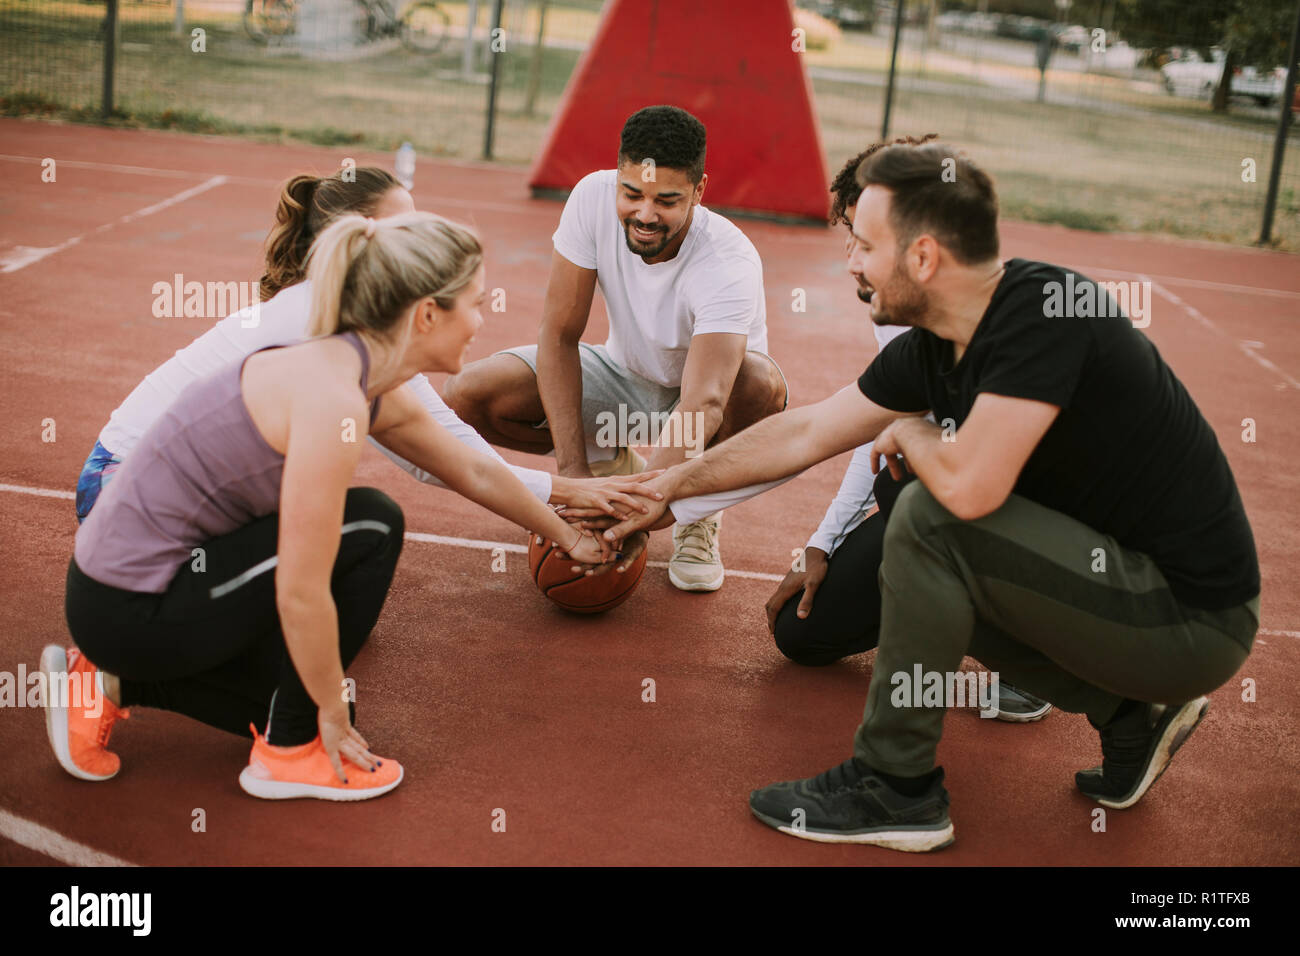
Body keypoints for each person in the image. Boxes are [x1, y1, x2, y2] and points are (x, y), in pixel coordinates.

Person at [602, 141, 1260, 851]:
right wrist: (660, 489)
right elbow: (809, 430)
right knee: (921, 560)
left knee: (926, 515)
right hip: (1119, 599)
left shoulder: (1042, 314)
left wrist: (913, 435)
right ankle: (1129, 715)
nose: (850, 262)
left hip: (1189, 621)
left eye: (863, 245)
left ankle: (897, 785)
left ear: (921, 259)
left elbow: (969, 489)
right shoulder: (932, 345)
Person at [48, 211, 612, 800]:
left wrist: (567, 534)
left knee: (303, 690)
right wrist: (328, 720)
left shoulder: (353, 369)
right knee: (369, 527)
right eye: (473, 302)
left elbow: (470, 467)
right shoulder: (333, 399)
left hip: (135, 589)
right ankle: (290, 755)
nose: (479, 320)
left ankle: (106, 683)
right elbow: (300, 587)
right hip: (129, 605)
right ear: (425, 314)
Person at [74, 167, 653, 527]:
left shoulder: (352, 315)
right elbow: (454, 462)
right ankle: (130, 663)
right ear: (352, 240)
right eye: (402, 230)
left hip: (156, 485)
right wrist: (567, 498)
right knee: (347, 544)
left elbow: (442, 457)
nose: (420, 238)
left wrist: (561, 500)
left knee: (347, 541)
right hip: (121, 487)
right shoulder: (327, 324)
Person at [443, 105, 788, 593]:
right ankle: (611, 467)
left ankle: (697, 513)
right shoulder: (590, 198)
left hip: (707, 404)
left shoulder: (728, 260)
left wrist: (634, 510)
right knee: (467, 394)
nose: (645, 215)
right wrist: (575, 481)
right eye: (632, 195)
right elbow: (559, 335)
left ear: (700, 190)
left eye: (667, 200)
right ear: (618, 177)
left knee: (759, 383)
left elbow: (704, 400)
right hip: (624, 379)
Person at [764, 140, 1052, 722]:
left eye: (864, 240)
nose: (850, 257)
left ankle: (1037, 654)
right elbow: (849, 430)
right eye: (849, 235)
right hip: (950, 500)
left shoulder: (1012, 316)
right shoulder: (898, 315)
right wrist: (822, 543)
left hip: (1034, 519)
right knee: (803, 634)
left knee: (907, 486)